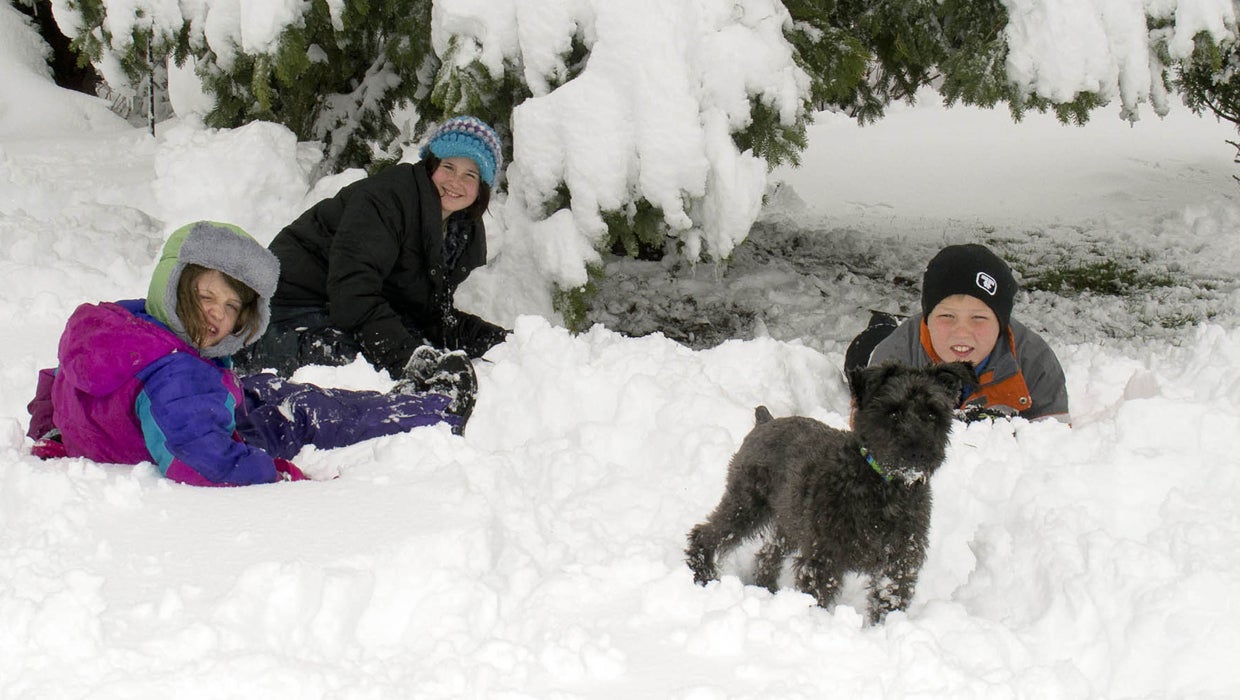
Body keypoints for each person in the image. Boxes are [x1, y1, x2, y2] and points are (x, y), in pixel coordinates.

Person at [25, 221, 475, 487]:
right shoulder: (179, 376)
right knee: (304, 410)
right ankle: (435, 407)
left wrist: (58, 430)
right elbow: (201, 460)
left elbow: (55, 378)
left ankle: (409, 397)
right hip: (213, 426)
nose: (217, 316)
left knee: (264, 387)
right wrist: (271, 475)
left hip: (181, 409)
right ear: (176, 285)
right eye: (205, 297)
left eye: (231, 307)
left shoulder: (122, 325)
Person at [235, 115, 509, 382]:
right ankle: (248, 352)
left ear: (481, 186)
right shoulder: (389, 198)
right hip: (286, 308)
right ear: (430, 165)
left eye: (470, 174)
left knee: (405, 342)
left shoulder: (463, 233)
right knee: (361, 365)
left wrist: (502, 342)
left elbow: (433, 317)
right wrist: (408, 359)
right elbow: (353, 290)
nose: (455, 182)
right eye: (448, 167)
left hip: (341, 308)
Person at [845, 243, 1070, 423]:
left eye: (979, 318)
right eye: (947, 317)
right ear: (928, 318)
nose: (962, 332)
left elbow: (1054, 438)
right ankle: (883, 325)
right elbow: (866, 428)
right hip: (884, 342)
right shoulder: (894, 357)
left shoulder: (1035, 360)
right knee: (865, 350)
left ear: (1001, 324)